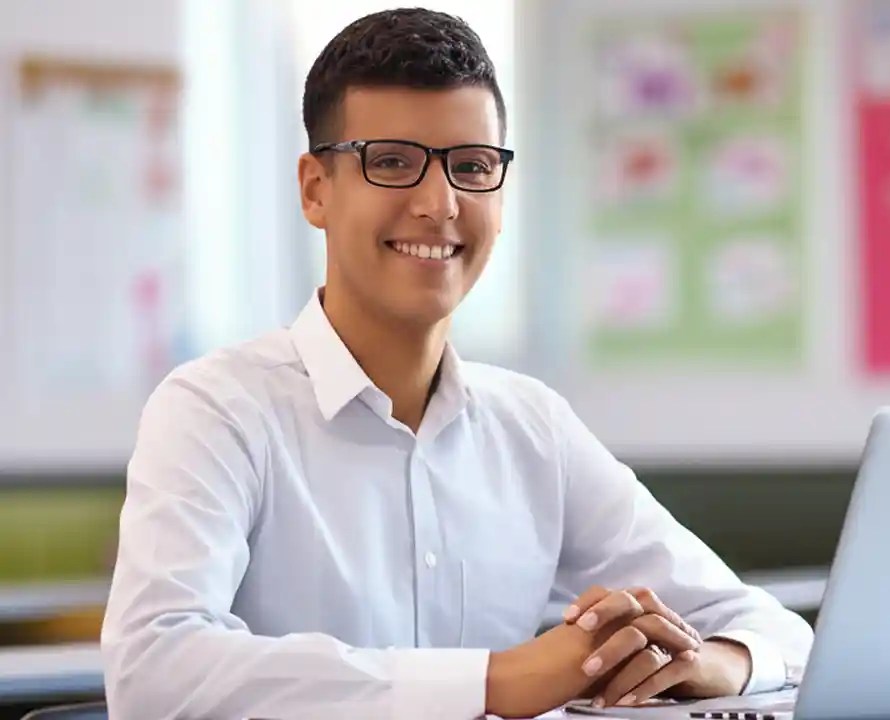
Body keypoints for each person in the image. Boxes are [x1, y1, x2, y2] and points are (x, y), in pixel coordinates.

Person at [101, 8, 812, 719]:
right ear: (316, 189)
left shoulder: (531, 427)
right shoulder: (217, 408)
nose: (439, 205)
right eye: (392, 162)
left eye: (471, 167)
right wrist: (494, 681)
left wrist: (716, 660)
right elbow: (153, 668)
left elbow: (782, 633)